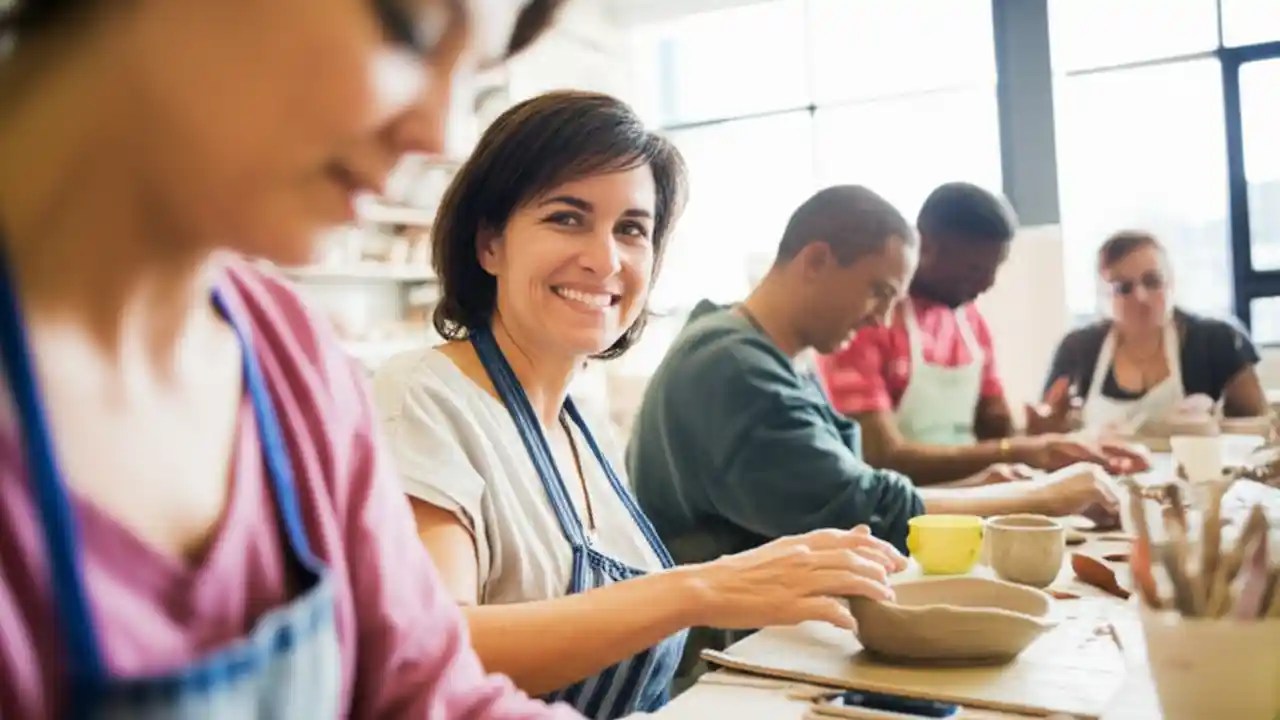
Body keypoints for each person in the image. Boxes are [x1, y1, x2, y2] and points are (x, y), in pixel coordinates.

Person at [0, 1, 591, 718]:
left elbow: (425, 694)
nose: (442, 132)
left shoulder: (290, 360)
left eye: (472, 76)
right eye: (410, 31)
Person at [373, 91, 905, 720]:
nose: (606, 260)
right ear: (489, 243)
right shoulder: (422, 401)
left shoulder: (583, 422)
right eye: (567, 218)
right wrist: (700, 588)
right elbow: (441, 645)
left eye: (631, 229)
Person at [816, 183, 1145, 485]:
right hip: (901, 513)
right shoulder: (866, 322)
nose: (987, 284)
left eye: (994, 269)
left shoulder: (971, 324)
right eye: (975, 270)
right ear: (926, 246)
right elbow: (881, 455)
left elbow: (995, 429)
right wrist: (1023, 449)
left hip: (973, 499)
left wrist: (1039, 434)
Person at [1032, 230, 1268, 435]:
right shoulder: (1078, 349)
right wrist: (1051, 423)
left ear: (1171, 282)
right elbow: (1049, 431)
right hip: (1103, 481)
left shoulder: (1216, 339)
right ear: (1102, 296)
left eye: (1152, 281)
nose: (1141, 297)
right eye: (1123, 288)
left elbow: (1259, 429)